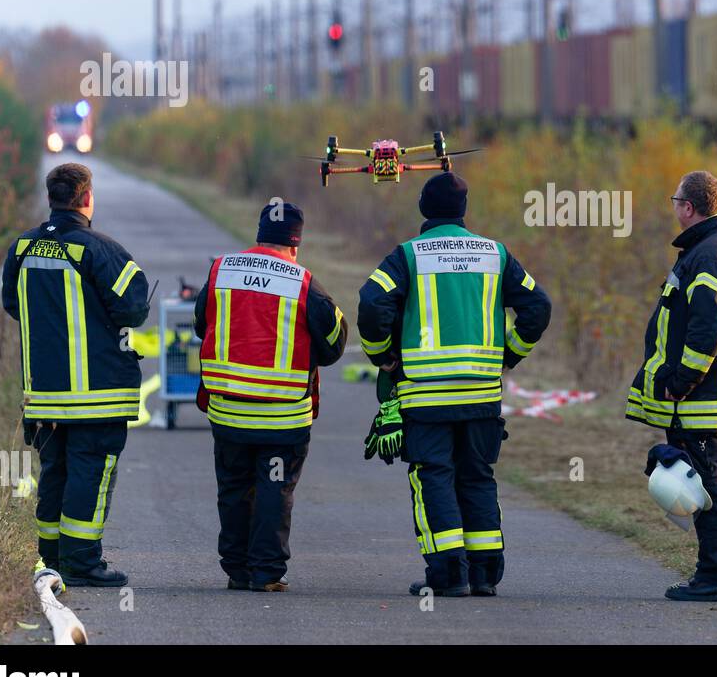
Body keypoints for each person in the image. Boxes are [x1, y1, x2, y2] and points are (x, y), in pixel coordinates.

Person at [357, 172, 550, 597]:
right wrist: (509, 354)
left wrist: (383, 356)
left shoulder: (408, 256)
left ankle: (448, 575)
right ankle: (483, 576)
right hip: (481, 395)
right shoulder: (495, 254)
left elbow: (372, 303)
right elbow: (538, 306)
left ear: (425, 209)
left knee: (434, 477)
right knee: (478, 476)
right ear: (463, 211)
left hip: (426, 395)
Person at [1, 162, 150, 587]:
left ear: (51, 199)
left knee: (55, 473)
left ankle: (50, 558)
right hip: (95, 396)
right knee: (90, 473)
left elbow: (14, 305)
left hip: (43, 396)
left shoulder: (22, 248)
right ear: (86, 199)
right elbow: (133, 309)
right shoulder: (100, 250)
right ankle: (82, 563)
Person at [194, 201, 347, 592]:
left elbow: (201, 322)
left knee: (233, 487)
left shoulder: (221, 270)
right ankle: (266, 574)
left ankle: (237, 570)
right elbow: (333, 342)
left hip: (228, 414)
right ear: (295, 245)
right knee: (274, 489)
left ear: (259, 235)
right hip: (281, 419)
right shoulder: (303, 282)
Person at [625, 170, 717, 601]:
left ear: (688, 207)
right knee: (703, 484)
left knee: (707, 486)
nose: (674, 206)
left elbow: (705, 329)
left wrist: (681, 381)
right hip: (707, 395)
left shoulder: (710, 254)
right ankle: (714, 575)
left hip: (701, 398)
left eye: (675, 199)